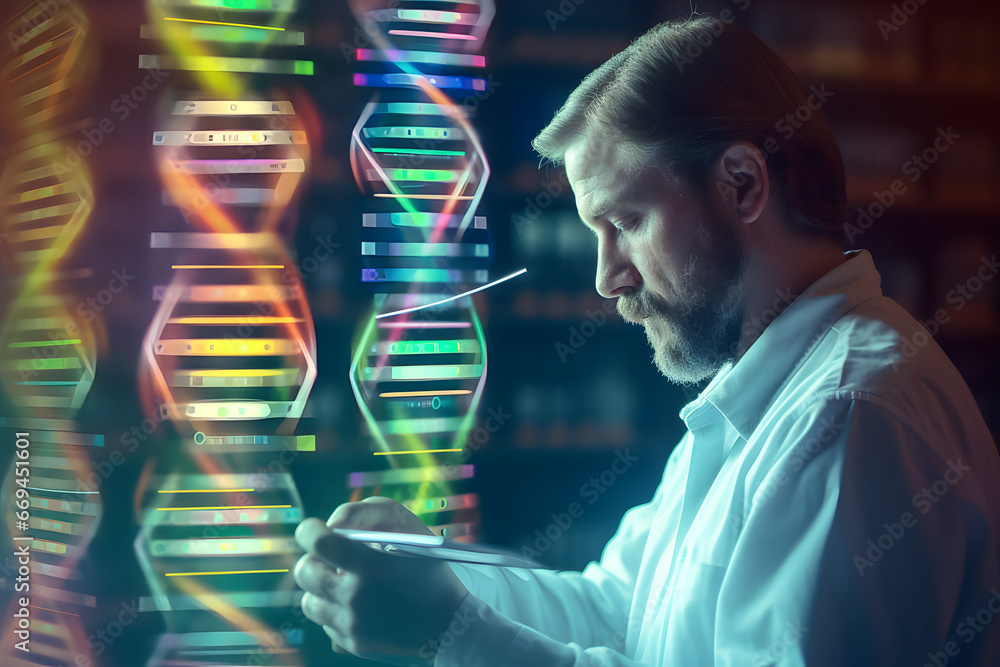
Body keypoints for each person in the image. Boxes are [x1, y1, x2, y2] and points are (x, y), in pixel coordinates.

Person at [293, 15, 1000, 666]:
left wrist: (452, 633)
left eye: (626, 223)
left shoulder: (848, 416)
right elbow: (618, 613)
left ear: (742, 184)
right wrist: (439, 577)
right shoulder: (758, 396)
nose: (606, 278)